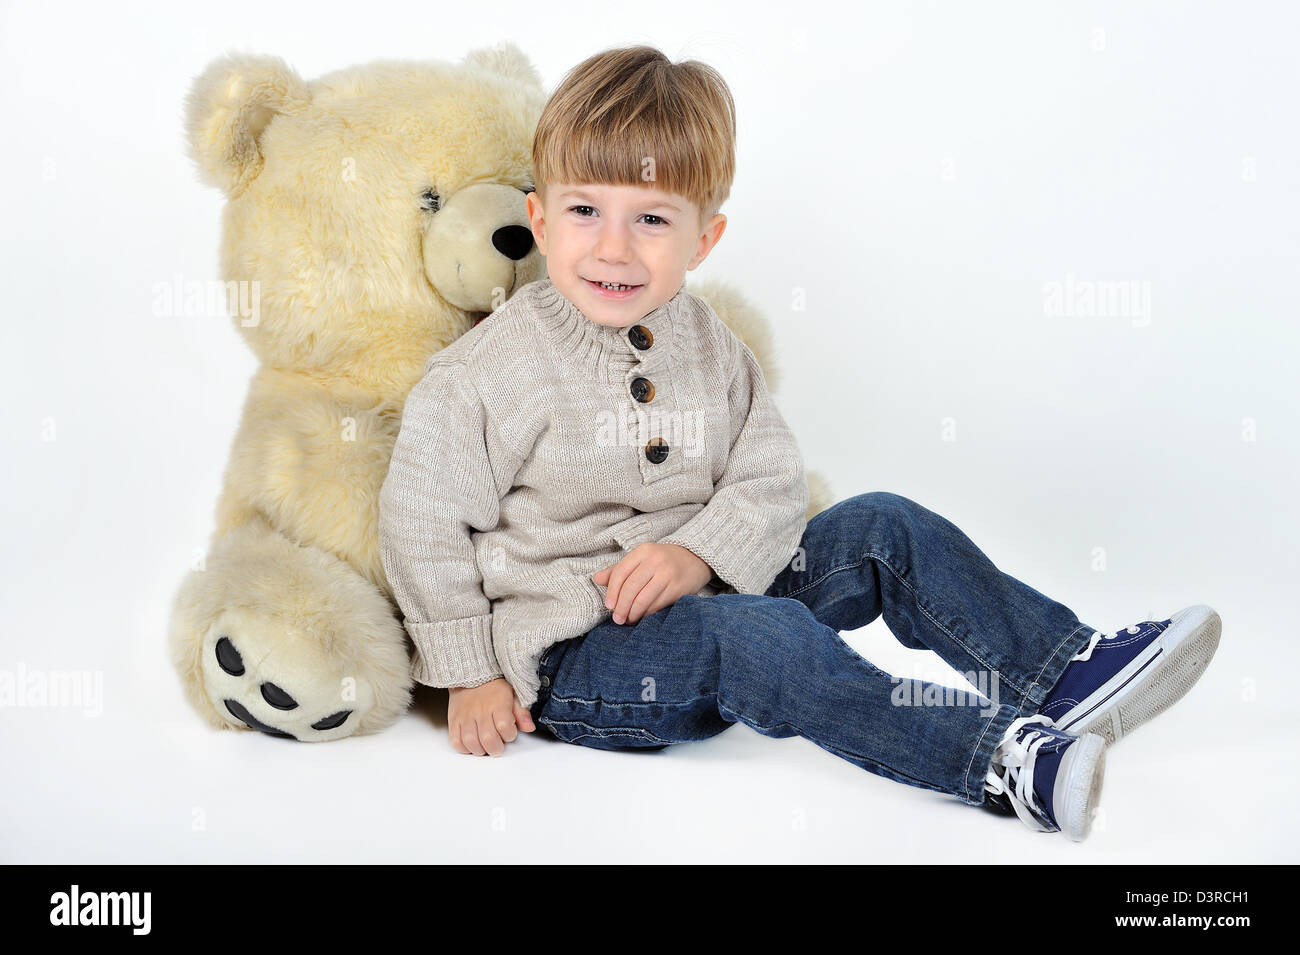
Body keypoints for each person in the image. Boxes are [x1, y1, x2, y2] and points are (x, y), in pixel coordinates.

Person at [377, 45, 1221, 842]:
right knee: (763, 639)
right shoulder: (490, 370)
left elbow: (771, 473)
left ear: (703, 239)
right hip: (581, 658)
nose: (612, 247)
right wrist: (469, 670)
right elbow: (421, 517)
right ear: (540, 216)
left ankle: (1062, 671)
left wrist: (697, 554)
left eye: (652, 220)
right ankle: (998, 758)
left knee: (881, 524)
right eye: (585, 211)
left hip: (710, 591)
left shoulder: (707, 343)